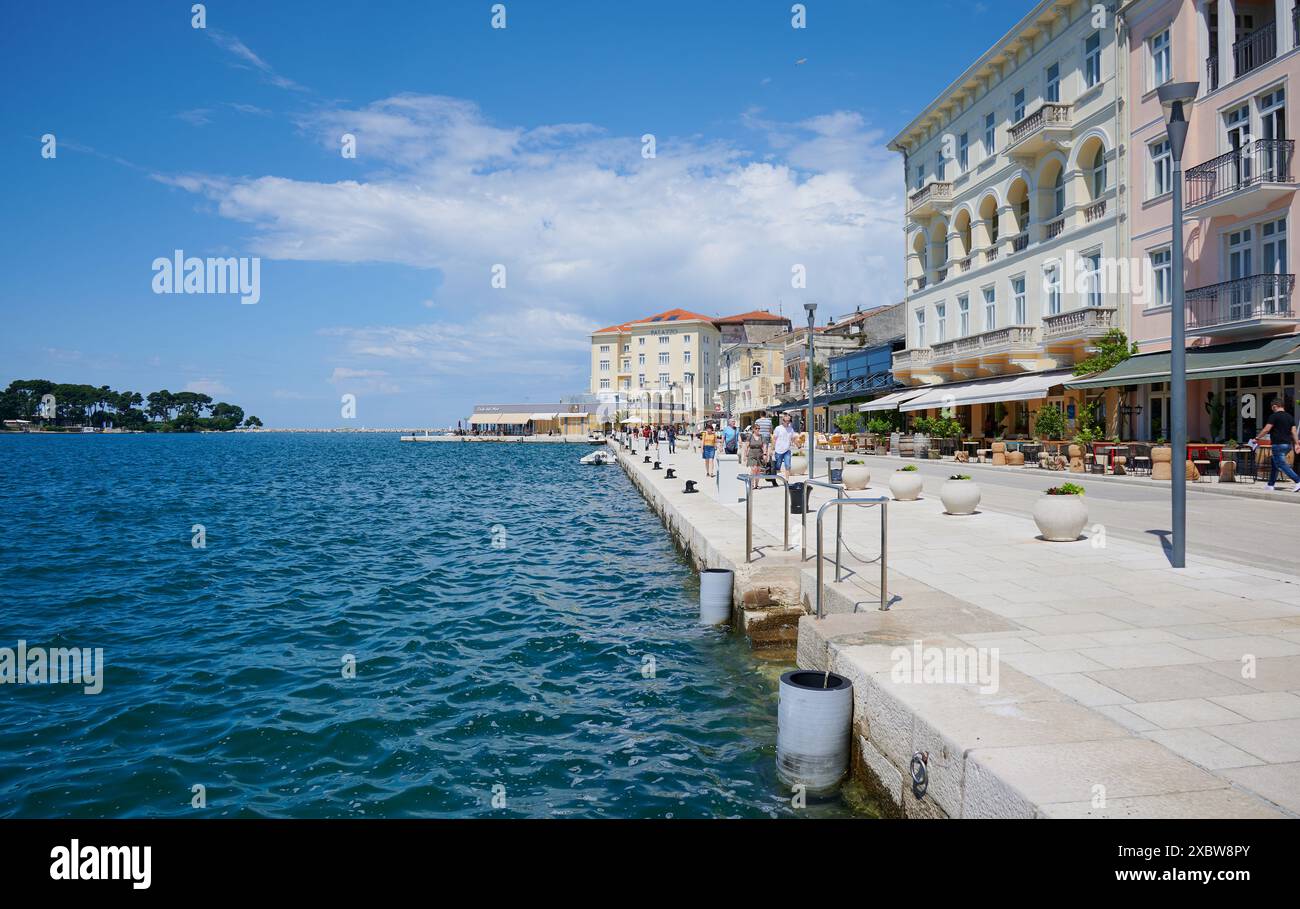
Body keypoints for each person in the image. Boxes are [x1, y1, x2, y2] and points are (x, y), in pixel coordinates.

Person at [1257, 399, 1300, 492]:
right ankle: (1270, 484)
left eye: (1272, 407)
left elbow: (1266, 429)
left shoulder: (1274, 416)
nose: (1272, 409)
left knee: (1281, 464)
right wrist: (1297, 444)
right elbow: (1294, 432)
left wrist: (1257, 438)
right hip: (1288, 445)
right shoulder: (1290, 417)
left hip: (1278, 444)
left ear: (1275, 406)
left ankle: (1298, 481)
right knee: (1274, 463)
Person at [771, 412, 796, 480]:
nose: (787, 422)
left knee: (788, 466)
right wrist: (772, 449)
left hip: (787, 450)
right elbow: (774, 439)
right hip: (778, 450)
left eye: (789, 421)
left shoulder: (791, 429)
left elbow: (793, 438)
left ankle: (787, 481)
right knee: (778, 467)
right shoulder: (778, 428)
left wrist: (798, 445)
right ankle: (774, 479)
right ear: (783, 420)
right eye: (786, 421)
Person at [745, 424, 767, 490]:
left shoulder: (762, 436)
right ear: (753, 429)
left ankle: (756, 485)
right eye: (756, 428)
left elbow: (764, 445)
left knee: (758, 470)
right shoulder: (750, 436)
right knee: (754, 469)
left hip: (759, 454)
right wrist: (745, 455)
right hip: (752, 454)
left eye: (759, 428)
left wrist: (765, 454)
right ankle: (751, 484)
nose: (758, 430)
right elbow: (746, 446)